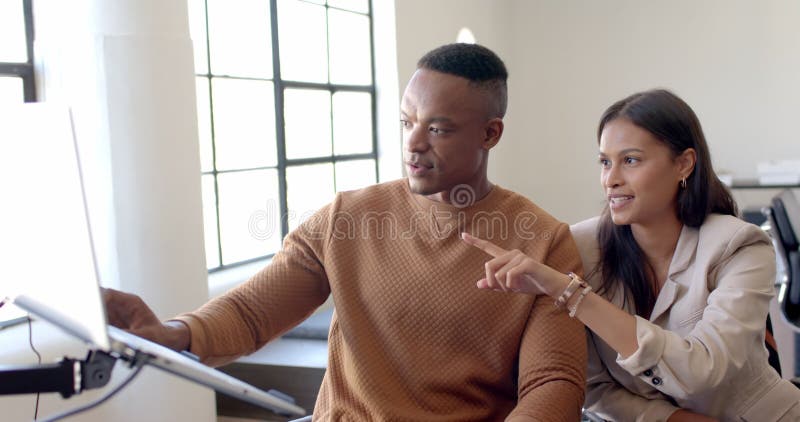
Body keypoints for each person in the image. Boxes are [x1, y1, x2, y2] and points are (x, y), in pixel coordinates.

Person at [104, 43, 587, 421]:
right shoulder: (347, 218)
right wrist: (170, 334)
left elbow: (554, 383)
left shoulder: (543, 240)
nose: (413, 143)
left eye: (438, 129)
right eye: (406, 122)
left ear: (490, 134)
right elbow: (252, 314)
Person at [463, 89, 800, 421]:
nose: (611, 179)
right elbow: (592, 387)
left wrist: (570, 293)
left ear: (684, 164)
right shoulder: (578, 246)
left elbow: (702, 369)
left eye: (631, 161)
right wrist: (670, 420)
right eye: (605, 162)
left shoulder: (739, 244)